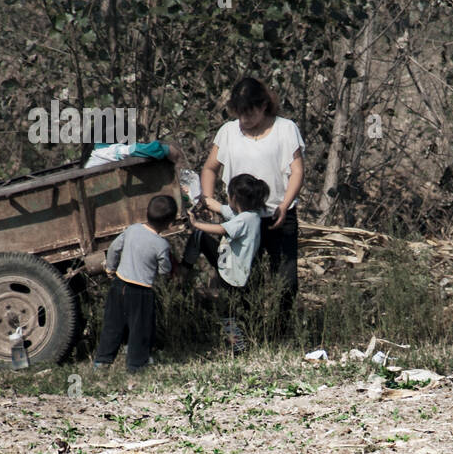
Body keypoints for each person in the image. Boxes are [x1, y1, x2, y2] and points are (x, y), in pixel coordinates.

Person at [199, 78, 304, 321]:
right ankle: (247, 331)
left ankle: (280, 331)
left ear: (264, 105)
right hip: (241, 219)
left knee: (286, 280)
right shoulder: (227, 132)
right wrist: (208, 200)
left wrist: (284, 205)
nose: (245, 119)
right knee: (243, 280)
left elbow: (297, 170)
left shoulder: (285, 128)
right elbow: (209, 168)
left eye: (250, 112)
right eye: (240, 113)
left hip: (279, 216)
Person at [186, 174, 269, 353]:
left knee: (229, 311)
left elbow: (222, 228)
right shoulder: (250, 214)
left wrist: (196, 223)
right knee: (242, 309)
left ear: (235, 197)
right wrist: (198, 197)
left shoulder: (244, 220)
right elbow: (218, 207)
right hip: (230, 264)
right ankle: (245, 343)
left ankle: (239, 347)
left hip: (232, 272)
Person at [94, 194, 177, 372]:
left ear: (146, 212)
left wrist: (110, 269)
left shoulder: (132, 229)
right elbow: (164, 270)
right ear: (170, 223)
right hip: (141, 292)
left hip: (119, 284)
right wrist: (165, 276)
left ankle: (102, 362)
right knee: (140, 329)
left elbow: (115, 248)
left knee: (112, 325)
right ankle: (136, 365)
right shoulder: (161, 244)